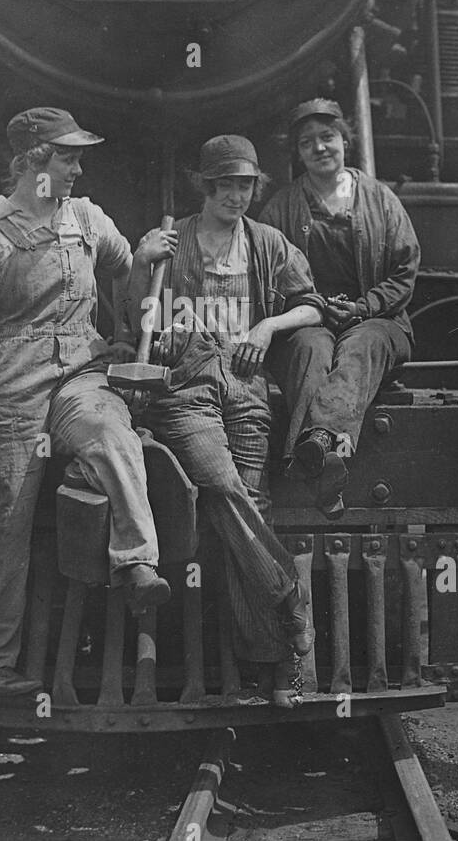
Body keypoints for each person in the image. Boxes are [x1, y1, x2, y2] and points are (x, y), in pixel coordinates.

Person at [0, 107, 172, 702]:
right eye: (68, 156)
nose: (77, 167)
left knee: (110, 433)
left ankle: (137, 562)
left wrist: (144, 258)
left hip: (80, 371)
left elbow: (126, 277)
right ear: (34, 161)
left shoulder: (88, 218)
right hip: (13, 383)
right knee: (1, 522)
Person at [129, 135, 324, 707]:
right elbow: (136, 314)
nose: (236, 196)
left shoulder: (266, 243)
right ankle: (288, 588)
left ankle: (272, 665)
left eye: (245, 185)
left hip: (246, 385)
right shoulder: (173, 239)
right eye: (226, 185)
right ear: (206, 186)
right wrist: (142, 265)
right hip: (186, 387)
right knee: (218, 482)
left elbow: (313, 304)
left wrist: (268, 327)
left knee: (249, 503)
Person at [259, 99, 419, 515]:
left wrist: (364, 307)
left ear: (344, 140)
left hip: (378, 321)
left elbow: (405, 270)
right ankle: (325, 460)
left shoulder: (380, 199)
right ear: (298, 153)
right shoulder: (281, 208)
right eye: (307, 142)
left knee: (358, 346)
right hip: (309, 321)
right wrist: (312, 308)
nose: (320, 148)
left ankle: (312, 446)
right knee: (311, 350)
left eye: (327, 137)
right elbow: (269, 278)